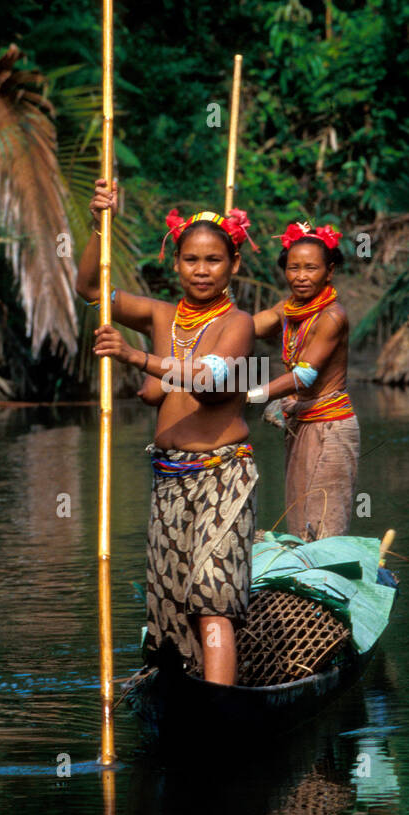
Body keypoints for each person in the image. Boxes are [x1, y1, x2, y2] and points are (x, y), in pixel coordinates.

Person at [77, 180, 258, 686]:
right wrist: (98, 224)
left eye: (214, 260)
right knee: (173, 603)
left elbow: (209, 379)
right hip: (169, 477)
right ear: (175, 264)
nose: (202, 270)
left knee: (212, 595)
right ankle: (189, 696)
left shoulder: (237, 324)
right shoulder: (160, 315)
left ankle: (221, 707)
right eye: (192, 260)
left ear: (233, 265)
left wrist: (136, 357)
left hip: (224, 475)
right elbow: (91, 289)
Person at [250, 221, 359, 540]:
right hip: (301, 423)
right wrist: (222, 318)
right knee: (299, 524)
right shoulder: (287, 310)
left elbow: (305, 374)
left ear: (330, 271)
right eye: (293, 268)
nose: (301, 276)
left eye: (311, 268)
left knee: (324, 526)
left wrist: (249, 395)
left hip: (330, 427)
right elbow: (248, 327)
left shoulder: (332, 316)